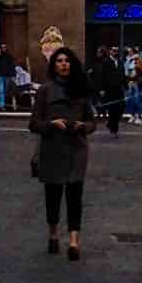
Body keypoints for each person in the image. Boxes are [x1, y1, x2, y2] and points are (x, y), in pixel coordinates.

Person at [30, 45, 95, 261]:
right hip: (53, 148)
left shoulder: (81, 90)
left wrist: (81, 126)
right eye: (59, 61)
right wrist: (51, 124)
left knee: (75, 196)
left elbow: (92, 122)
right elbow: (34, 123)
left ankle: (74, 241)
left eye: (67, 61)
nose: (63, 64)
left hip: (76, 148)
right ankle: (53, 234)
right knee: (53, 195)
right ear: (53, 65)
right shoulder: (45, 90)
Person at [91, 44, 127, 138]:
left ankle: (111, 123)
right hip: (109, 89)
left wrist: (126, 85)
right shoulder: (106, 62)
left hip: (119, 89)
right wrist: (101, 89)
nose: (115, 52)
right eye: (114, 50)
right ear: (110, 51)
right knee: (112, 109)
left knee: (121, 107)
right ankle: (114, 129)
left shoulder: (120, 62)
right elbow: (102, 76)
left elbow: (122, 74)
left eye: (117, 50)